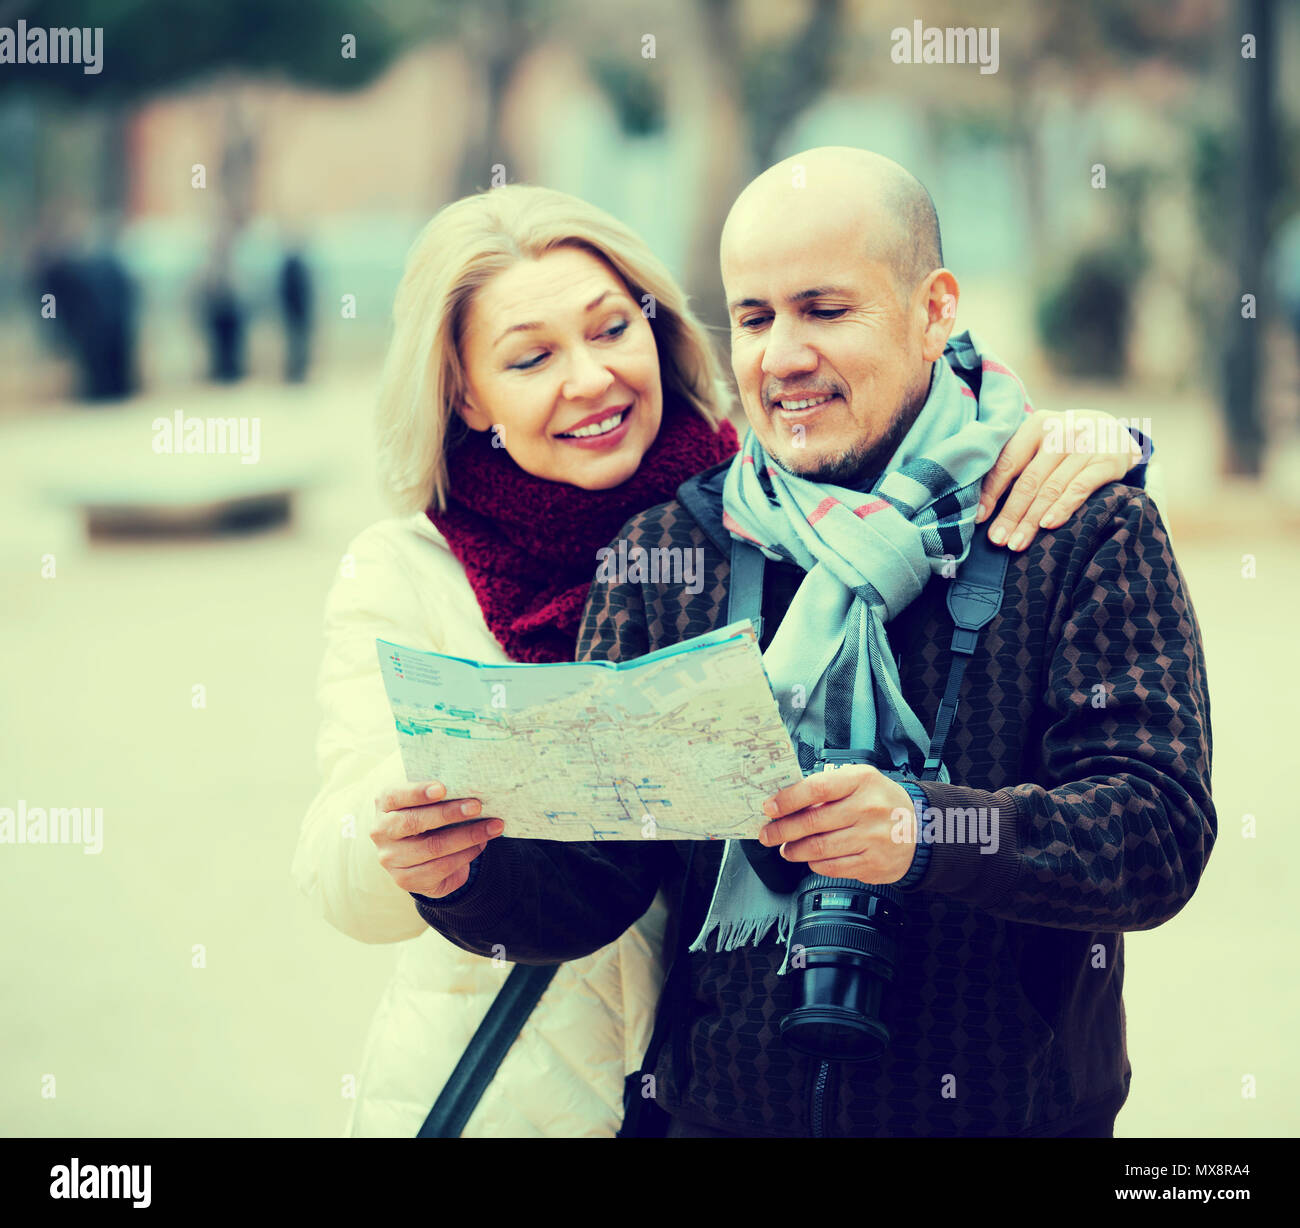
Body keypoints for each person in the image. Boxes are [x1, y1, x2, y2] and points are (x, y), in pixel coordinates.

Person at [294, 181, 1162, 1138]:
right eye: (755, 316)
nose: (588, 380)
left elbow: (1153, 827)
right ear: (465, 390)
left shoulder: (1063, 514)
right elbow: (595, 869)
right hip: (595, 1098)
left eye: (826, 309)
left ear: (934, 311)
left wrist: (931, 832)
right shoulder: (670, 546)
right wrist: (447, 869)